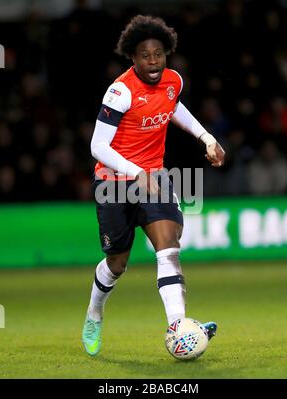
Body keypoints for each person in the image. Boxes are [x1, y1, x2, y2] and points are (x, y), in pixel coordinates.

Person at [82, 15, 225, 356]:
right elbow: (97, 146)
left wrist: (206, 137)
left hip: (155, 179)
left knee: (168, 246)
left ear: (166, 54)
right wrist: (135, 171)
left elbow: (173, 108)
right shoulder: (120, 91)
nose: (152, 61)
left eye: (158, 54)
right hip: (114, 184)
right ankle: (94, 312)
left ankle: (178, 328)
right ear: (132, 57)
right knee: (117, 263)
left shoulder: (173, 81)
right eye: (145, 55)